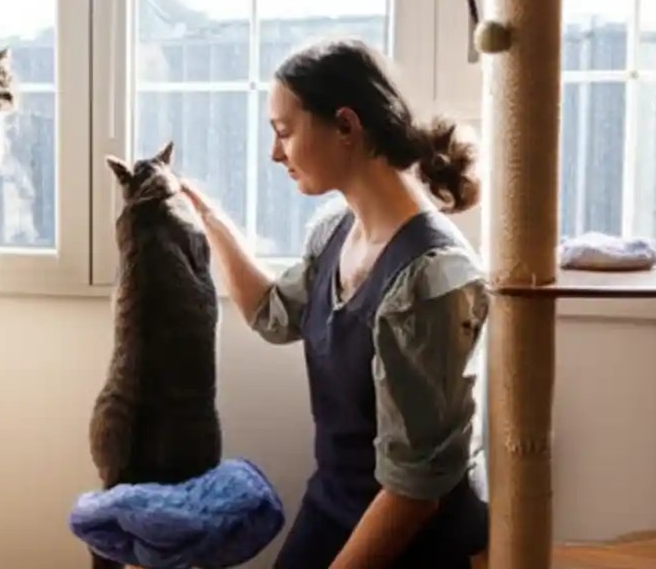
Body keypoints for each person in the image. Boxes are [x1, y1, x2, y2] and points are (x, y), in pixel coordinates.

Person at [181, 38, 489, 568]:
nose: (276, 153)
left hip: (416, 534)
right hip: (337, 504)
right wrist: (207, 219)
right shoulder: (335, 234)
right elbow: (274, 315)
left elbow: (416, 490)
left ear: (346, 127)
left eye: (283, 133)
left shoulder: (431, 279)